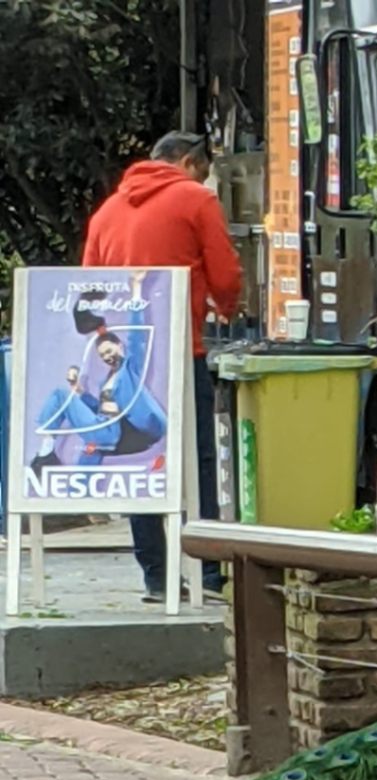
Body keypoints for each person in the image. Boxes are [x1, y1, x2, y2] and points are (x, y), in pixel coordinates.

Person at [83, 131, 241, 602]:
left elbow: (88, 283)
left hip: (125, 358)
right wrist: (227, 307)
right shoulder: (195, 199)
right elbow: (225, 272)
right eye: (205, 170)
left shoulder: (107, 211)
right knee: (198, 458)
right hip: (179, 348)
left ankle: (156, 575)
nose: (204, 180)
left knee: (140, 458)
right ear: (190, 161)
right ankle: (208, 572)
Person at [34, 282, 166, 471]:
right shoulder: (108, 380)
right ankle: (77, 486)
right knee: (88, 456)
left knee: (60, 395)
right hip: (107, 431)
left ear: (120, 346)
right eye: (103, 355)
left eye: (109, 351)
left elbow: (137, 336)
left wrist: (136, 289)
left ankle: (45, 453)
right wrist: (79, 391)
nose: (107, 357)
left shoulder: (130, 370)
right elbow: (99, 410)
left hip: (116, 432)